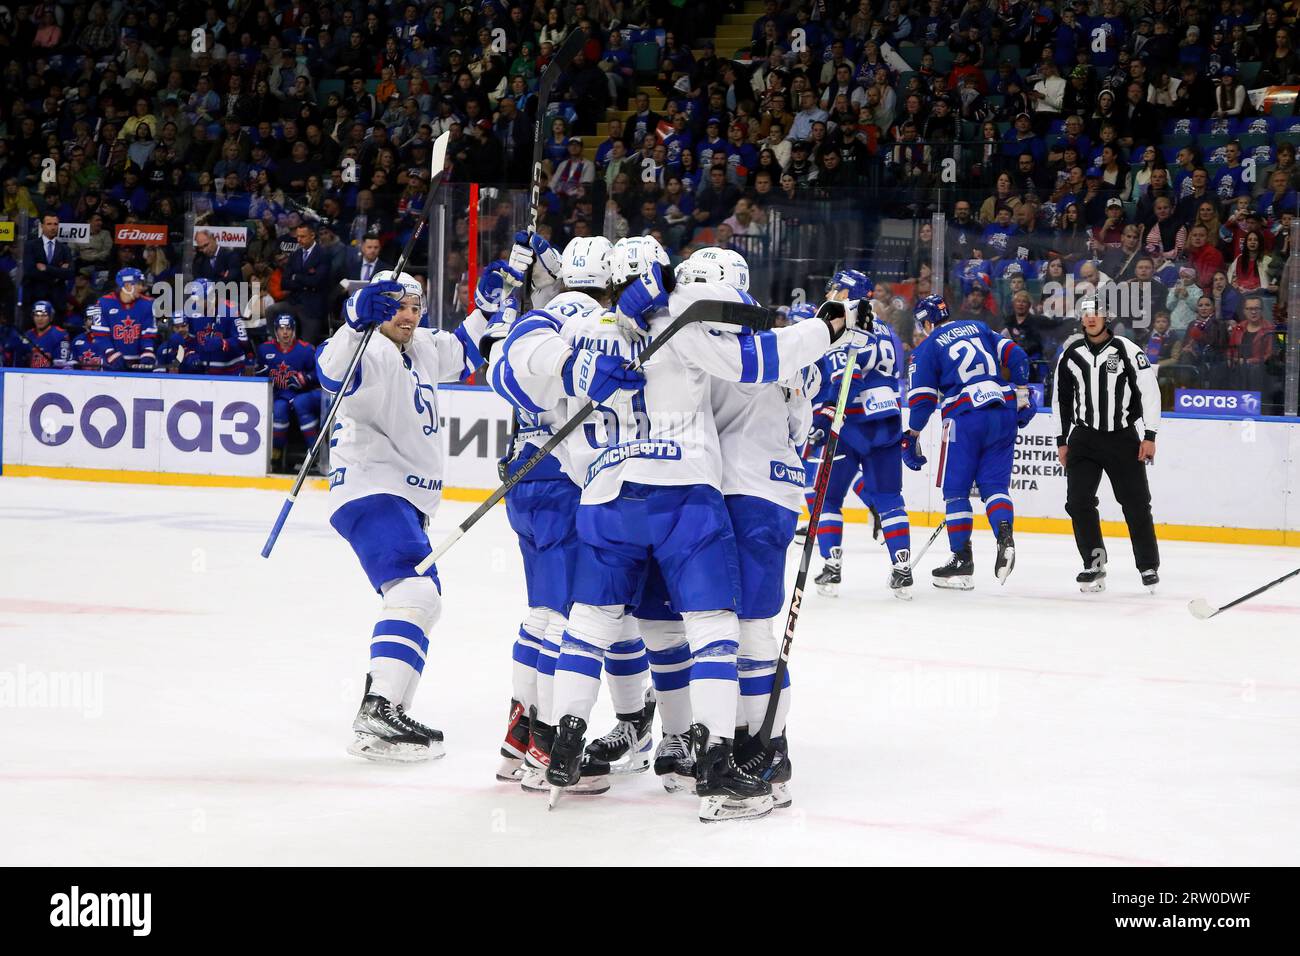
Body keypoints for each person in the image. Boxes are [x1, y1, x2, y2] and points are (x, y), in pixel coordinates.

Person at [491, 244, 850, 822]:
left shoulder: (580, 325)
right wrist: (825, 330)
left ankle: (563, 743)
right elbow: (759, 368)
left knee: (594, 622)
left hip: (609, 492)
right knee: (718, 630)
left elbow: (506, 366)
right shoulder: (683, 319)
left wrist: (570, 364)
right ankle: (720, 756)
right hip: (695, 489)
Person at [318, 271, 488, 762]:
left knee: (424, 599)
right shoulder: (369, 350)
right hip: (372, 489)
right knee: (415, 592)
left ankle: (389, 710)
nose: (408, 314)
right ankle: (378, 711)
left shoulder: (425, 348)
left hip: (399, 500)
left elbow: (466, 350)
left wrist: (490, 301)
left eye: (415, 306)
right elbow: (331, 372)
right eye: (397, 306)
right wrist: (353, 322)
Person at [903, 294, 1034, 589]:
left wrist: (911, 435)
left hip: (964, 416)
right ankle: (1004, 536)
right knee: (995, 488)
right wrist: (1023, 398)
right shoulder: (979, 327)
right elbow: (1019, 358)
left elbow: (922, 400)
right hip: (1003, 410)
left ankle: (962, 561)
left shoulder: (927, 348)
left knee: (955, 491)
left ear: (926, 322)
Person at [807, 270, 913, 599]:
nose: (831, 292)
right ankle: (902, 568)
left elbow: (844, 374)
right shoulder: (887, 328)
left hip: (851, 422)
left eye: (836, 288)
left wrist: (825, 416)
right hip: (887, 418)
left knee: (826, 498)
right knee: (890, 500)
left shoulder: (845, 323)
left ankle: (832, 566)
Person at [1052, 298, 1161, 593]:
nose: (1090, 318)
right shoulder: (1071, 354)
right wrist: (1062, 440)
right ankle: (1094, 563)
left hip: (1122, 438)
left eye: (1096, 313)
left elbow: (1149, 391)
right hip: (1084, 439)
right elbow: (1060, 400)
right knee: (1078, 502)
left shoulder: (1127, 350)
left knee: (1136, 504)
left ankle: (1148, 565)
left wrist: (1149, 435)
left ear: (1107, 317)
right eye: (1086, 313)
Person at [258, 315, 321, 471]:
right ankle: (276, 453)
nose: (285, 333)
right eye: (281, 329)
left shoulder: (306, 350)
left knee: (301, 404)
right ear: (276, 331)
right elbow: (255, 371)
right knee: (279, 409)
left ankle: (314, 452)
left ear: (294, 330)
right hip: (278, 396)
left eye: (288, 329)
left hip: (300, 395)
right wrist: (261, 372)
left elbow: (319, 374)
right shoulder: (264, 349)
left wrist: (305, 378)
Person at [93, 268, 158, 372]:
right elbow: (100, 336)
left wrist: (147, 353)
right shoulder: (102, 303)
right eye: (139, 284)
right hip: (110, 364)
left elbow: (148, 335)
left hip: (138, 364)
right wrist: (111, 355)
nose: (142, 288)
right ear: (128, 285)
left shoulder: (148, 304)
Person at [17, 300, 71, 368]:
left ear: (51, 317)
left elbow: (62, 365)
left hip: (52, 376)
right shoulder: (27, 335)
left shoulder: (60, 335)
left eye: (44, 315)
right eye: (37, 315)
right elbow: (19, 363)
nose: (40, 319)